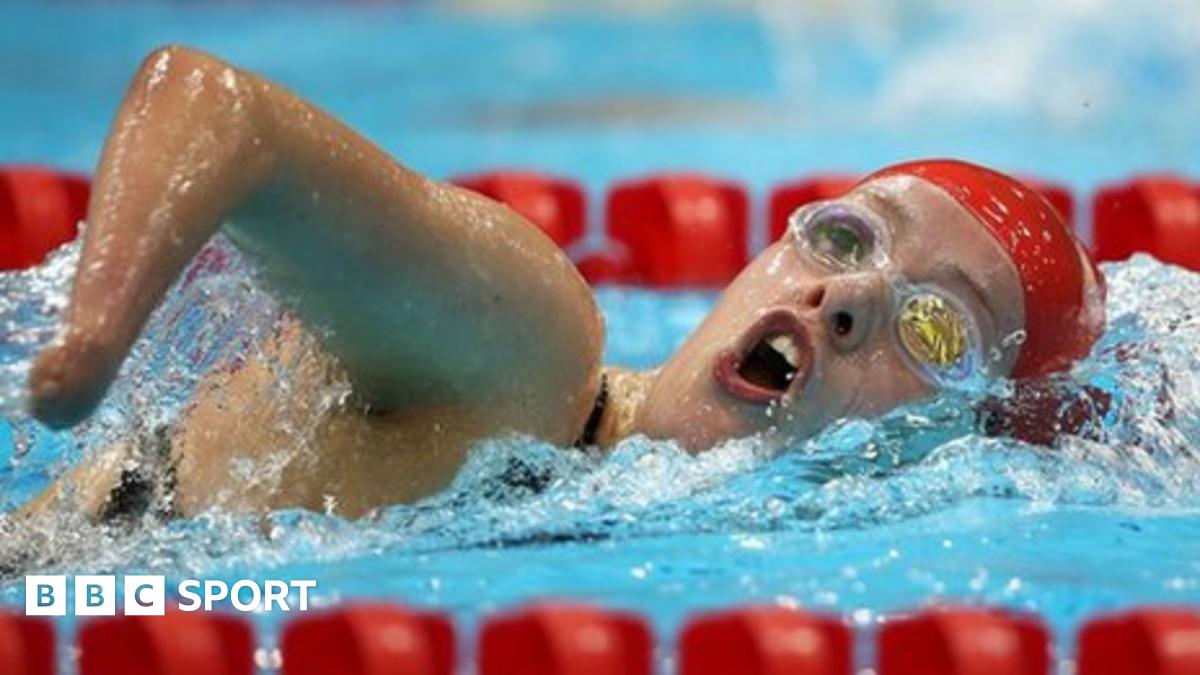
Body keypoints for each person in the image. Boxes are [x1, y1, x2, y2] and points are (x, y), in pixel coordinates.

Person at [15, 46, 1105, 523]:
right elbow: (215, 105)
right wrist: (93, 348)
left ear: (965, 444)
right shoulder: (529, 347)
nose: (846, 301)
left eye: (933, 329)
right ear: (765, 254)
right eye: (844, 240)